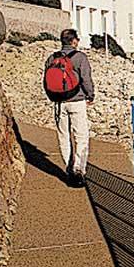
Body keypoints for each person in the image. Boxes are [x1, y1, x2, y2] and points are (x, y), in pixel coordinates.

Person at [45, 29, 95, 188]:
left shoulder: (52, 58)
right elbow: (86, 79)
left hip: (59, 103)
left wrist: (53, 97)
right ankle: (79, 170)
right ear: (74, 41)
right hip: (77, 101)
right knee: (81, 136)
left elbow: (46, 81)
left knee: (63, 136)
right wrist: (90, 95)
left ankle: (69, 170)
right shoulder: (80, 57)